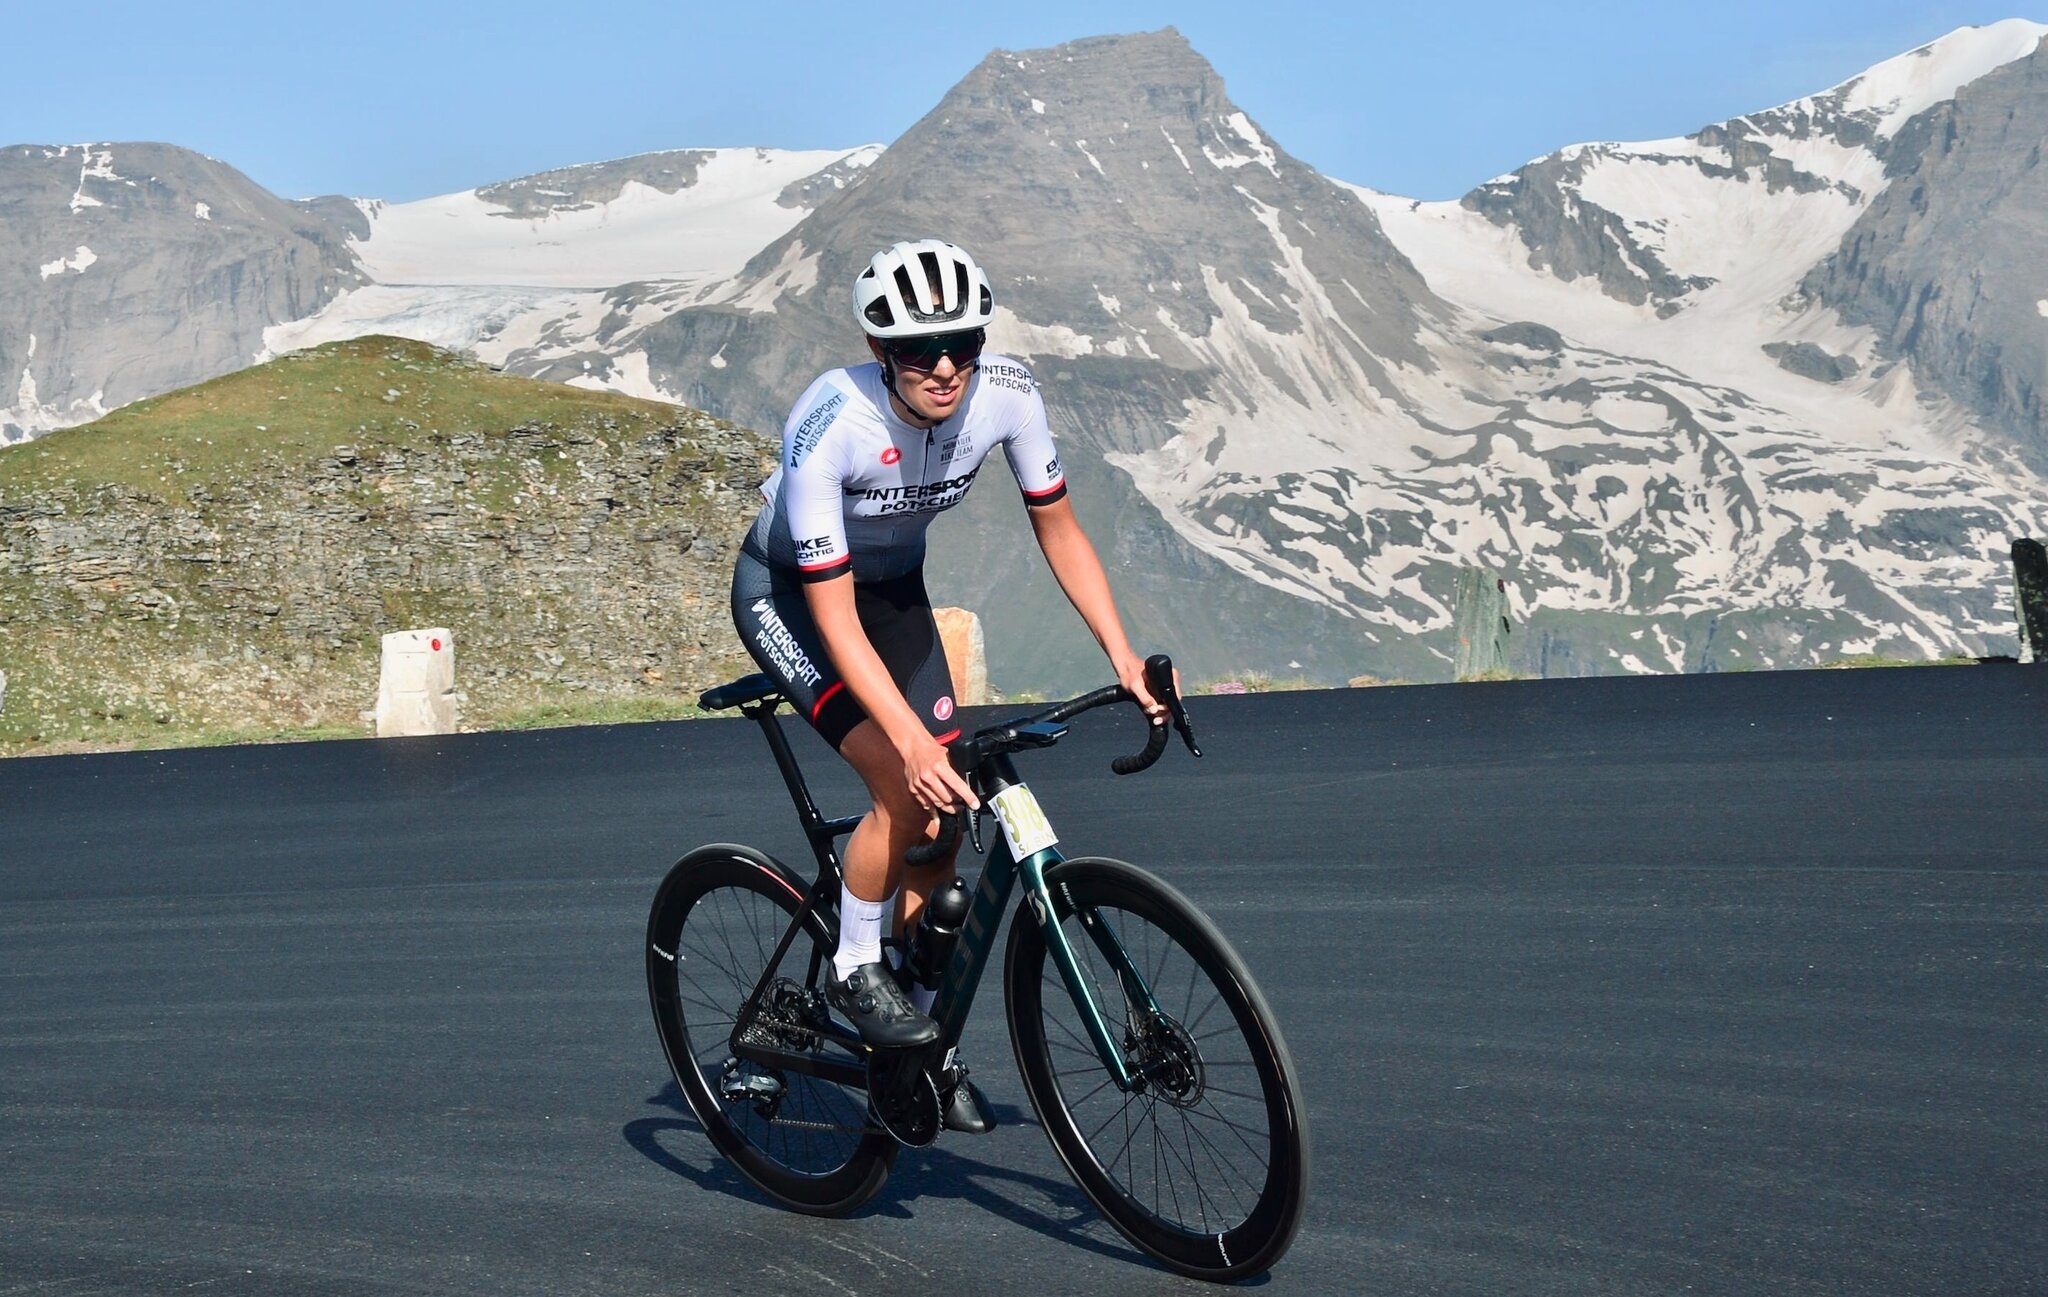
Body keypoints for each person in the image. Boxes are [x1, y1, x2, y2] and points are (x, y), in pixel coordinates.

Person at [729, 239, 1166, 1128]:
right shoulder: (832, 421)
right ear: (879, 350)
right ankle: (855, 967)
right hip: (794, 597)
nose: (944, 368)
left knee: (944, 827)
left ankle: (920, 1049)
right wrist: (907, 741)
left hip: (891, 593)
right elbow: (834, 619)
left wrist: (1124, 656)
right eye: (920, 351)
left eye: (962, 345)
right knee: (903, 783)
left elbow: (1060, 529)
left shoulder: (1006, 393)